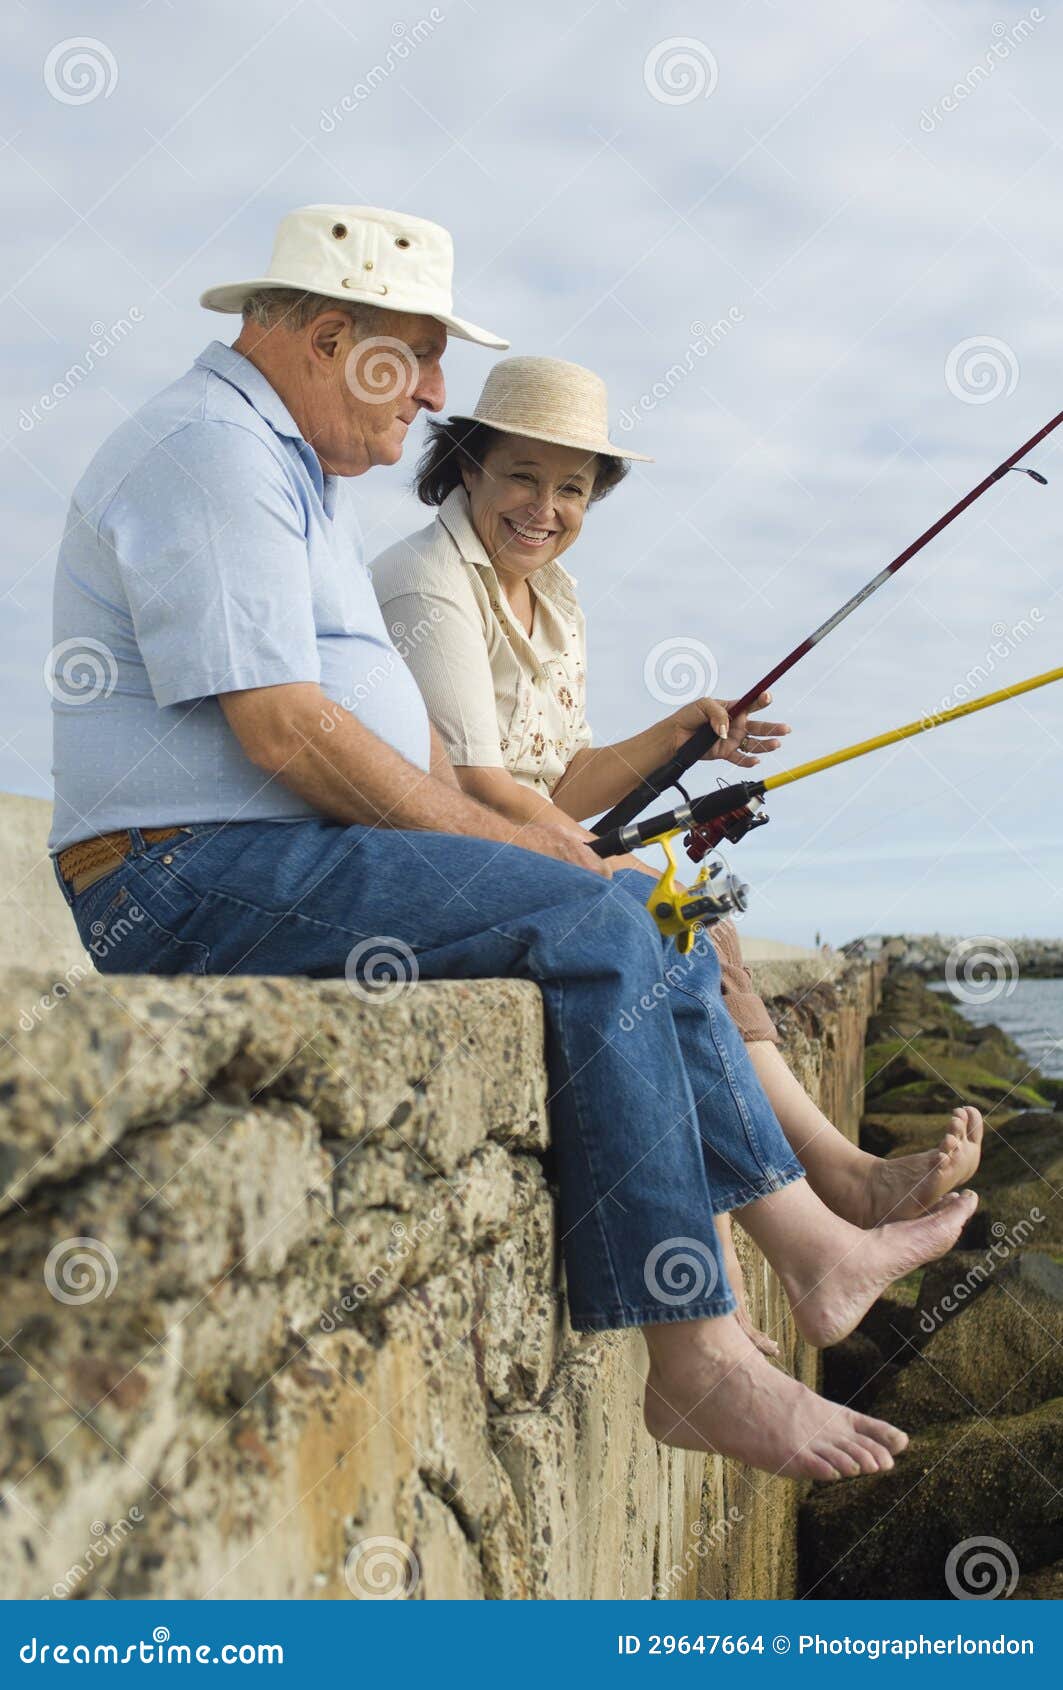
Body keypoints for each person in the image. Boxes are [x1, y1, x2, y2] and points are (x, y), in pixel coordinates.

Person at [49, 206, 975, 1483]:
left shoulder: (287, 471)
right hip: (180, 875)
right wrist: (534, 856)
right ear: (330, 337)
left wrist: (551, 849)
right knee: (597, 920)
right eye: (422, 357)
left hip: (254, 858)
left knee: (637, 913)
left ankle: (815, 1251)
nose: (436, 393)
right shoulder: (212, 453)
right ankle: (698, 1359)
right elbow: (286, 731)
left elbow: (406, 743)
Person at [370, 354, 984, 1352]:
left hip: (522, 842)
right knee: (662, 916)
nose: (545, 507)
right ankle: (816, 1207)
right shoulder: (425, 581)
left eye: (573, 488)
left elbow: (561, 778)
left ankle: (829, 1191)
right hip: (443, 855)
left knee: (694, 921)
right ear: (467, 465)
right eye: (522, 475)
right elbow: (473, 786)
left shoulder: (554, 596)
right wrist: (604, 863)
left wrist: (681, 735)